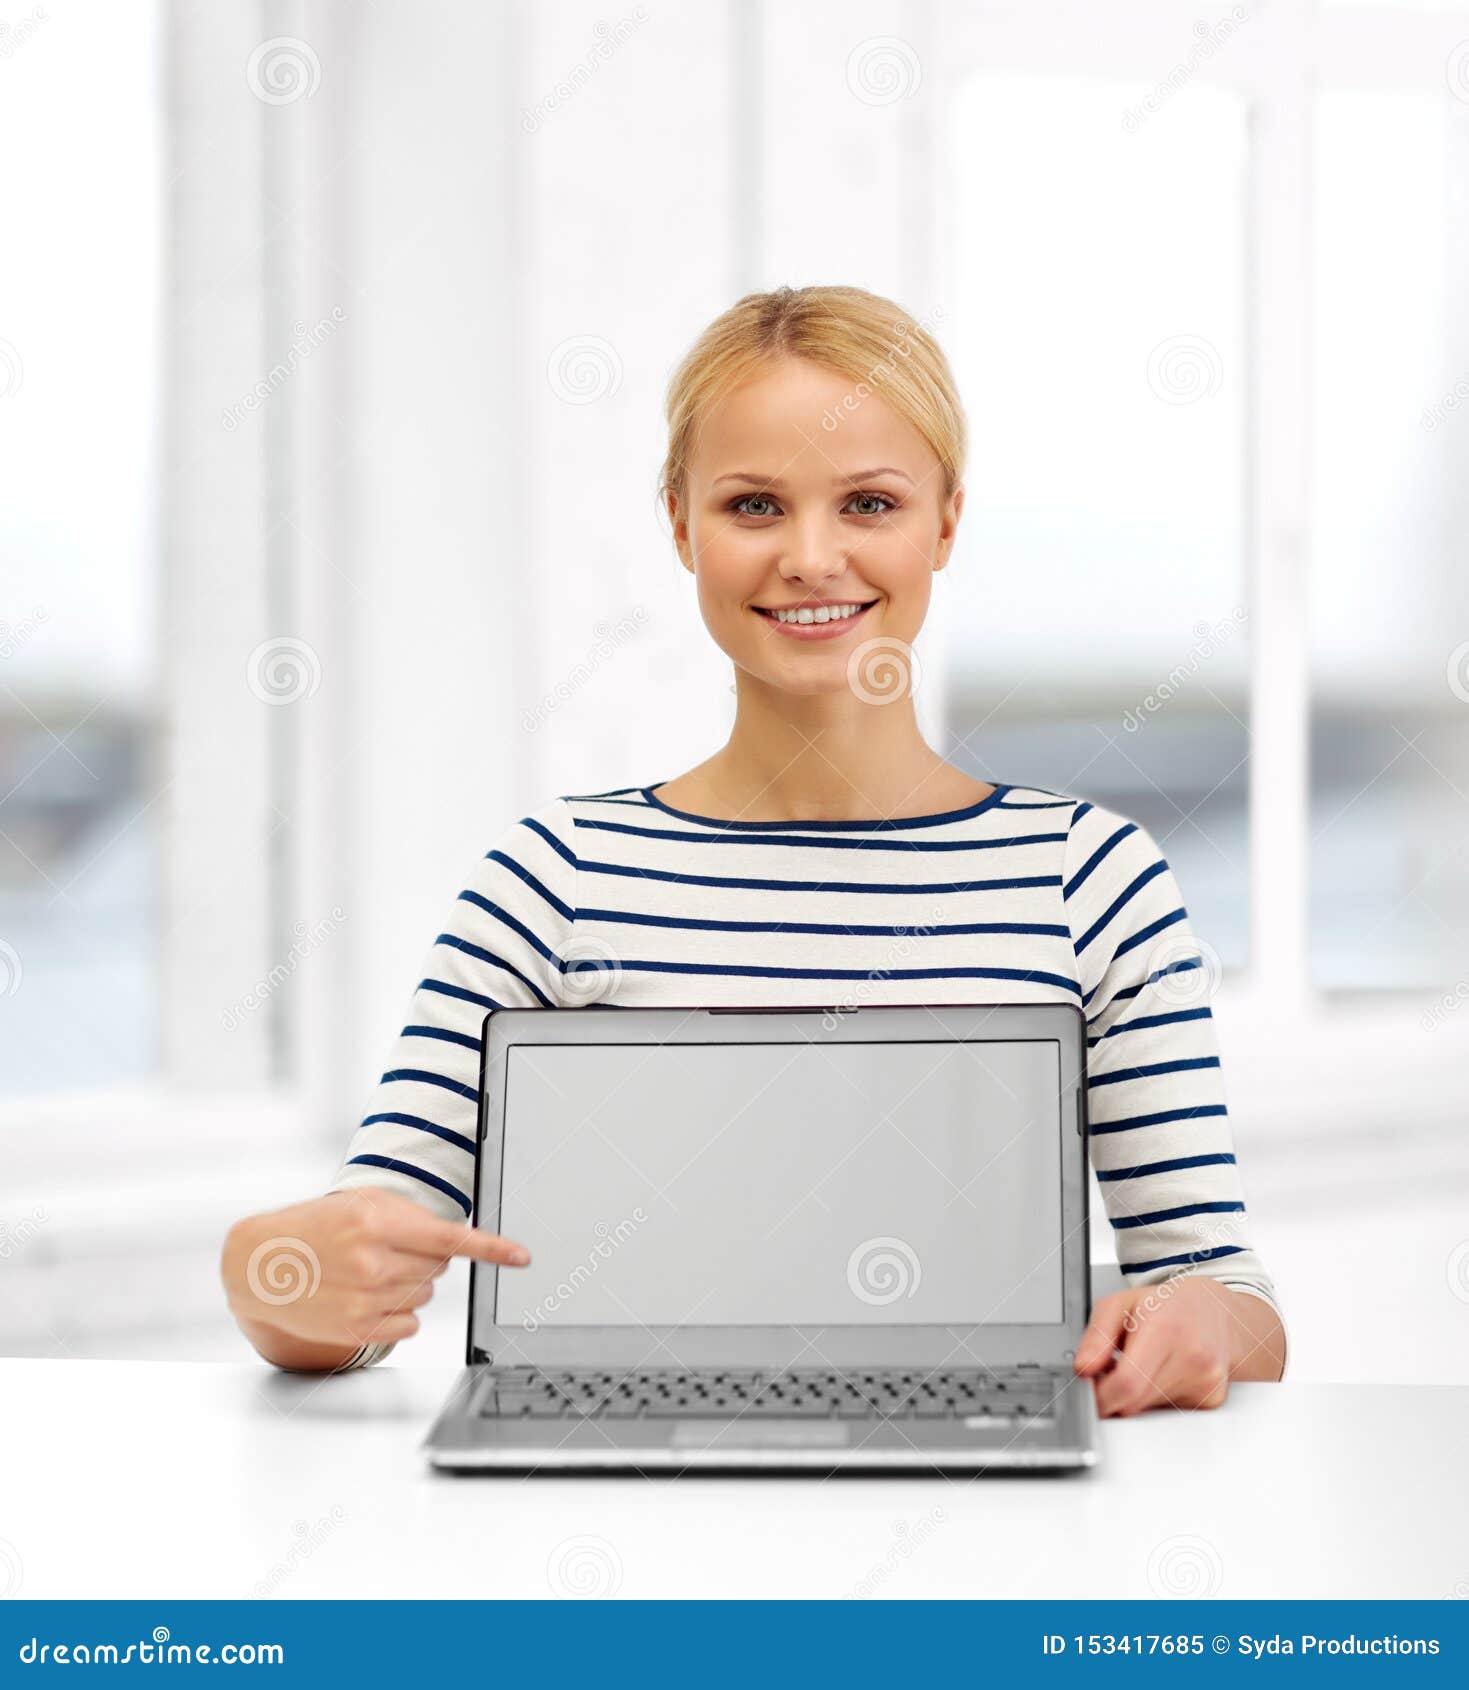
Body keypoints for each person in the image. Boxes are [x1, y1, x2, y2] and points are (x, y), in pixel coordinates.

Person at [221, 284, 1287, 1415]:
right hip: (614, 1522)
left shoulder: (1088, 879)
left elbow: (1223, 1289)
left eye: (869, 502)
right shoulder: (553, 879)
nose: (812, 557)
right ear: (680, 523)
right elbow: (353, 1280)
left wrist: (1200, 1320)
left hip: (981, 1508)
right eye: (754, 506)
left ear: (946, 522)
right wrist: (266, 1272)